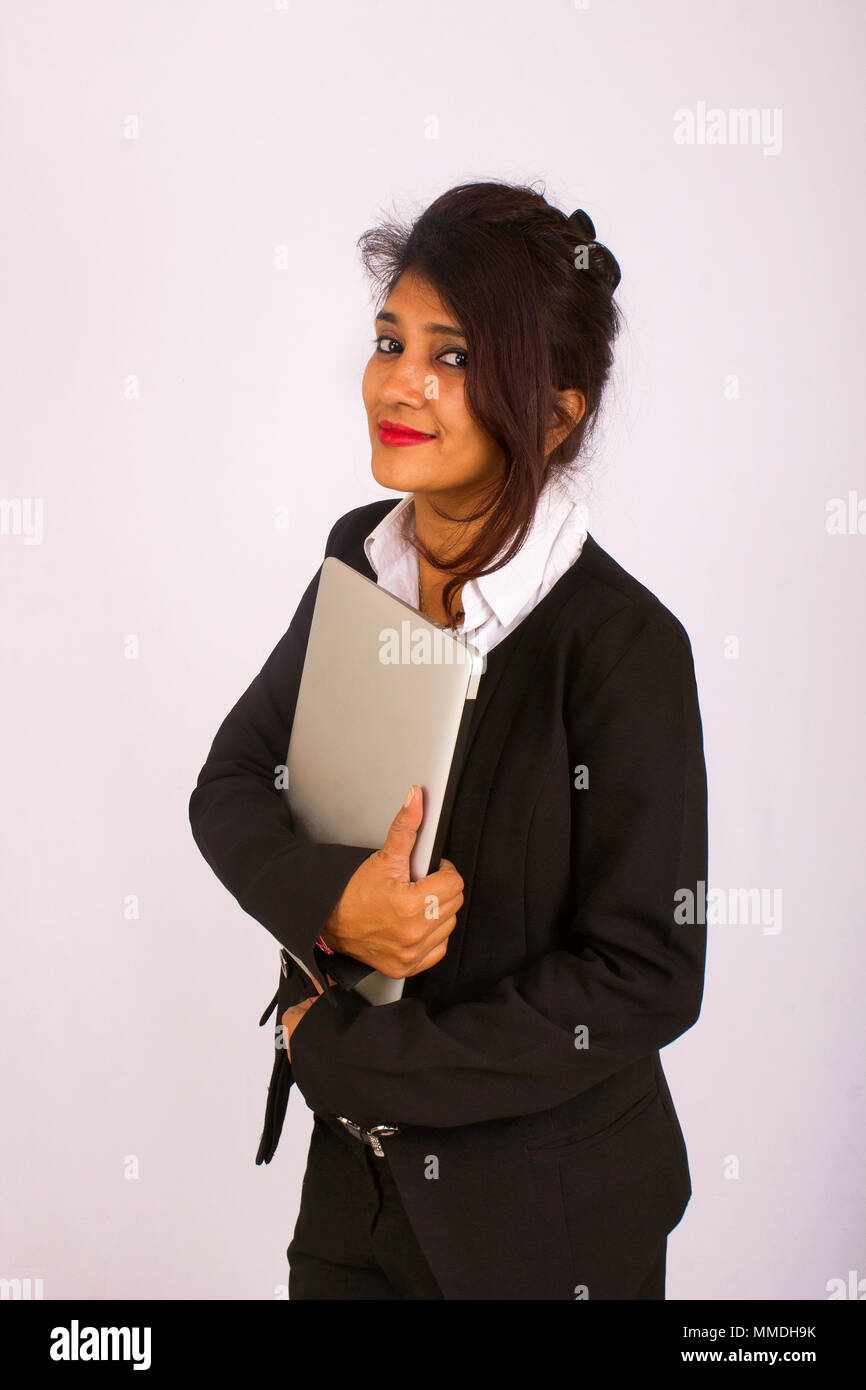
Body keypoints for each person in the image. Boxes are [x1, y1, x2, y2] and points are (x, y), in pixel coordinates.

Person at [188, 179, 708, 1300]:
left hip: (540, 1226)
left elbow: (644, 976)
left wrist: (349, 1056)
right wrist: (335, 902)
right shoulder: (358, 559)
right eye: (390, 341)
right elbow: (233, 782)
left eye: (455, 356)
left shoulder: (621, 645)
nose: (400, 384)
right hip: (353, 1198)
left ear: (556, 411)